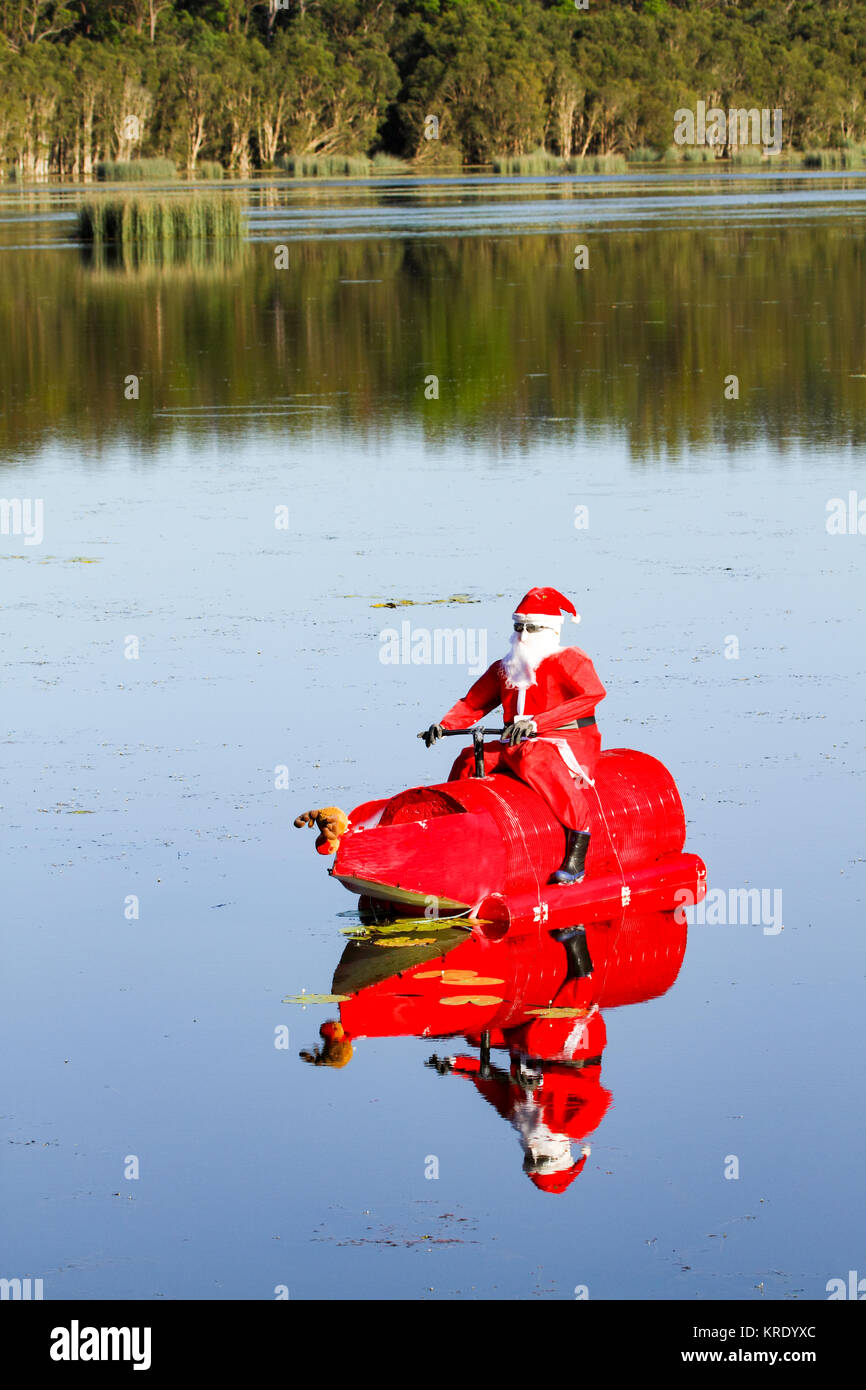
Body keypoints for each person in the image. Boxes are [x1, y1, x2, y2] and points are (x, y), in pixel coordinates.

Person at [422, 587, 605, 885]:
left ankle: (578, 848)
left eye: (531, 628)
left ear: (549, 630)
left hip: (564, 745)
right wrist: (445, 725)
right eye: (518, 627)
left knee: (533, 757)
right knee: (469, 759)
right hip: (516, 744)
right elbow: (474, 703)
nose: (522, 635)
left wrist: (537, 723)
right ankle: (453, 830)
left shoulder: (570, 659)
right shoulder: (504, 667)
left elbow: (594, 694)